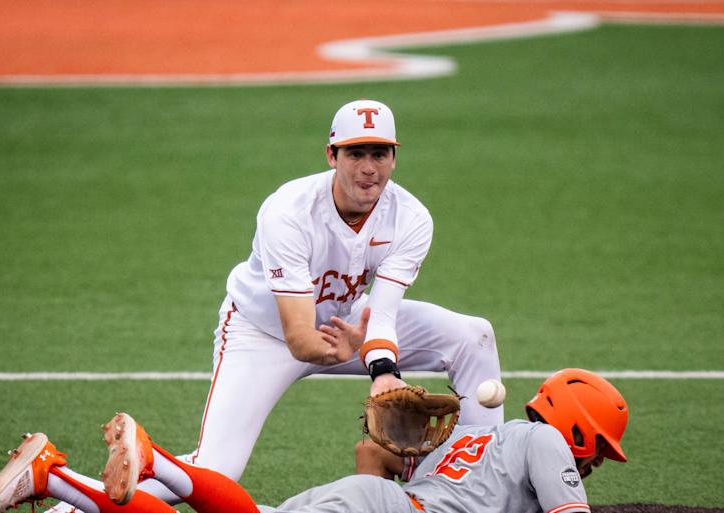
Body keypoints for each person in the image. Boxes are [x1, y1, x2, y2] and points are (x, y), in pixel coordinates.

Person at [45, 98, 503, 512]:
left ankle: (483, 483)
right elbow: (300, 338)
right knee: (218, 469)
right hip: (262, 335)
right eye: (355, 153)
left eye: (379, 154)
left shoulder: (411, 218)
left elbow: (381, 313)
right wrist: (346, 354)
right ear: (331, 156)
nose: (369, 168)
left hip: (348, 323)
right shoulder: (288, 212)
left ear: (395, 158)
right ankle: (67, 496)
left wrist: (383, 371)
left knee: (471, 335)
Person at [0, 368, 629, 513]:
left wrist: (400, 452)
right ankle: (155, 460)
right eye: (597, 443)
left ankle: (53, 474)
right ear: (574, 426)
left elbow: (371, 461)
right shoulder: (544, 447)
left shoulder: (487, 440)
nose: (596, 457)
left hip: (371, 500)